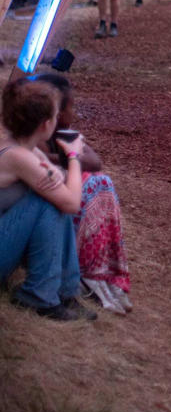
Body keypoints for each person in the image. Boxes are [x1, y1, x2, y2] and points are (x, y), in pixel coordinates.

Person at [0, 76, 96, 321]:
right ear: (45, 124)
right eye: (55, 116)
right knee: (49, 201)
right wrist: (74, 156)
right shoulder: (18, 156)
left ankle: (59, 291)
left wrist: (57, 174)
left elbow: (60, 180)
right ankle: (44, 294)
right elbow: (72, 202)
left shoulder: (24, 148)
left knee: (51, 199)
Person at [38, 72, 131, 315]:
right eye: (72, 107)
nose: (74, 112)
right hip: (48, 209)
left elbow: (94, 161)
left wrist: (65, 157)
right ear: (57, 113)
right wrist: (69, 157)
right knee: (95, 185)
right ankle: (89, 273)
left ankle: (102, 273)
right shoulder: (35, 138)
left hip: (60, 198)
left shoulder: (63, 134)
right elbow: (50, 162)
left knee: (100, 181)